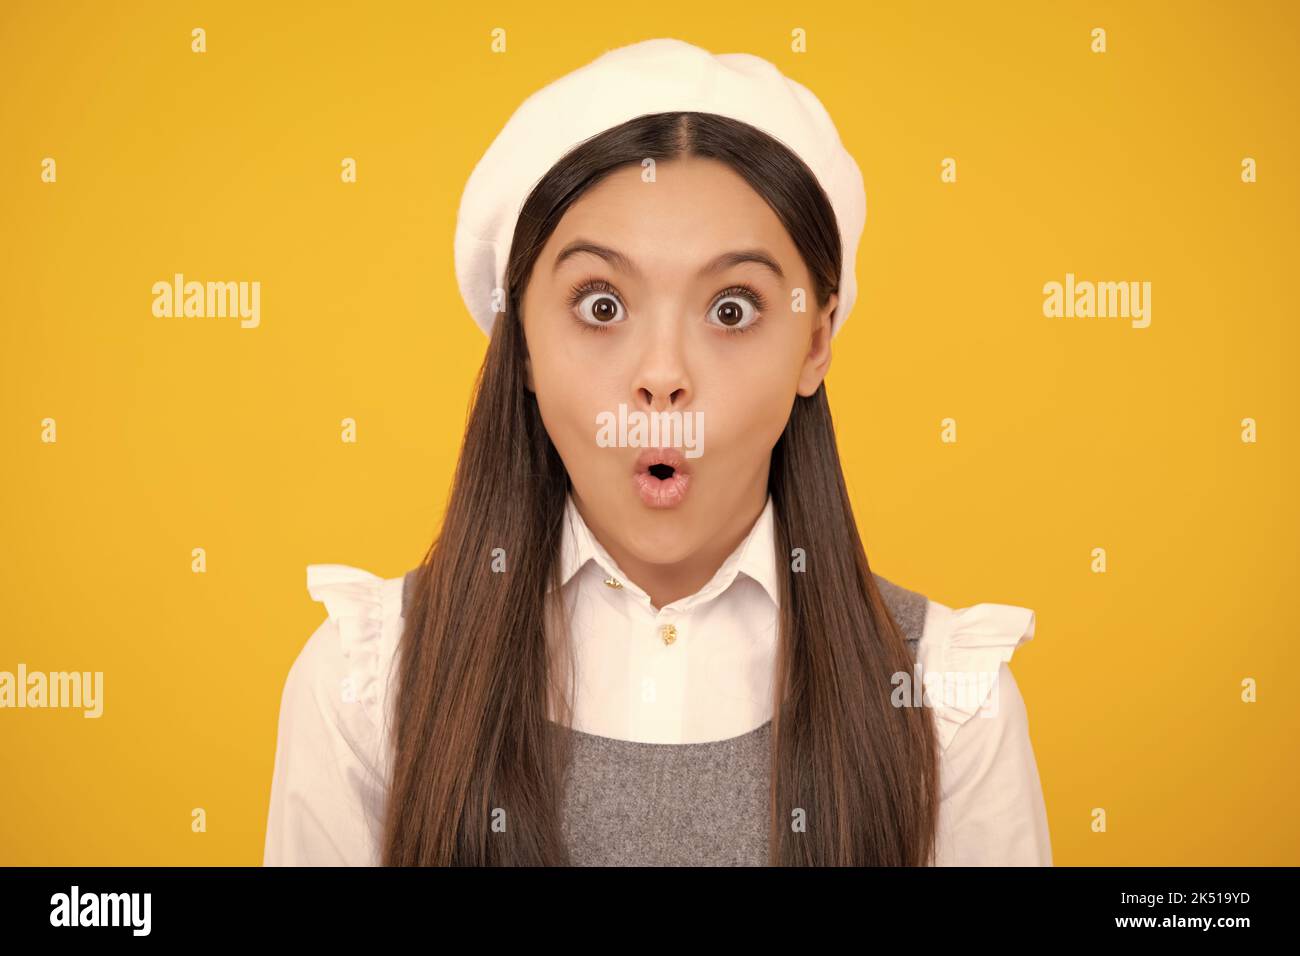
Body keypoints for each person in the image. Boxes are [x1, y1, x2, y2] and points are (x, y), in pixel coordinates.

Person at [263, 37, 1052, 866]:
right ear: (522, 344)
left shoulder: (950, 704)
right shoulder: (364, 686)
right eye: (601, 306)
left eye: (733, 309)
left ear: (815, 344)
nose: (664, 378)